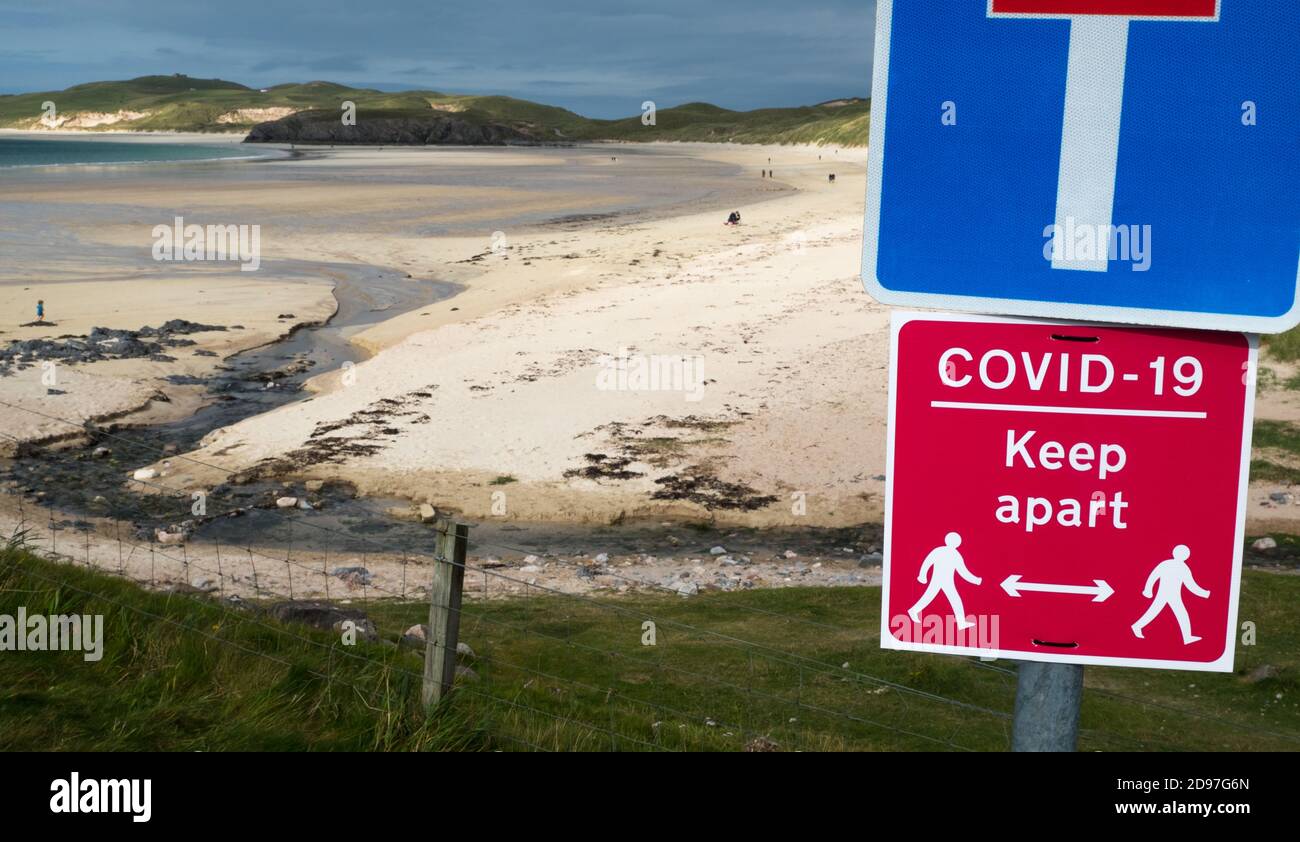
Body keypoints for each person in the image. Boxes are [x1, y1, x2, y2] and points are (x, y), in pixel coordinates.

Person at [1132, 545, 1210, 644]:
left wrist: (1204, 593)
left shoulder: (1176, 566)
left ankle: (1187, 637)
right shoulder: (1176, 566)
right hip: (1166, 594)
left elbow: (1190, 584)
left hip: (1172, 595)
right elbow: (1154, 576)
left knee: (1173, 613)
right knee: (1164, 612)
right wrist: (1204, 593)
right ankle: (1137, 626)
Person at [908, 532, 981, 630]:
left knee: (951, 599)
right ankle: (913, 610)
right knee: (946, 598)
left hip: (946, 581)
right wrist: (922, 575)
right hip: (939, 580)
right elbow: (928, 562)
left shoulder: (946, 552)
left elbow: (963, 571)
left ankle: (961, 622)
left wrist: (975, 580)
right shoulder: (949, 553)